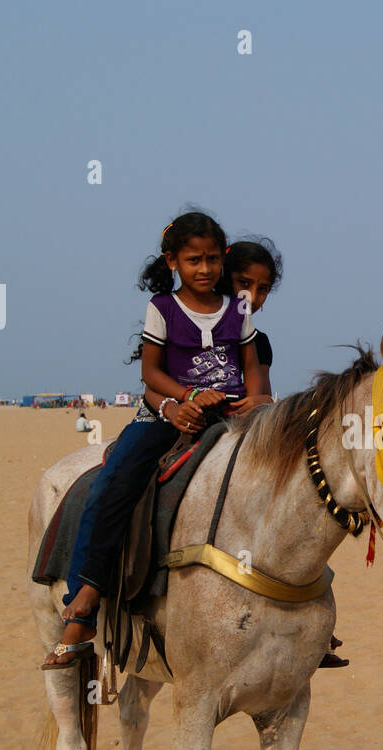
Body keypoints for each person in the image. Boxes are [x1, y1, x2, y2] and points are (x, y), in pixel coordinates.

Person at [44, 210, 270, 668]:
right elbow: (150, 373)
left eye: (210, 260)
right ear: (172, 261)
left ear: (221, 260)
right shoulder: (162, 307)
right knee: (116, 481)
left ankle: (302, 609)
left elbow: (249, 364)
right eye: (192, 260)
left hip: (227, 413)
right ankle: (87, 592)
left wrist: (259, 398)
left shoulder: (237, 309)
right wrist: (185, 397)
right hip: (167, 415)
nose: (203, 269)